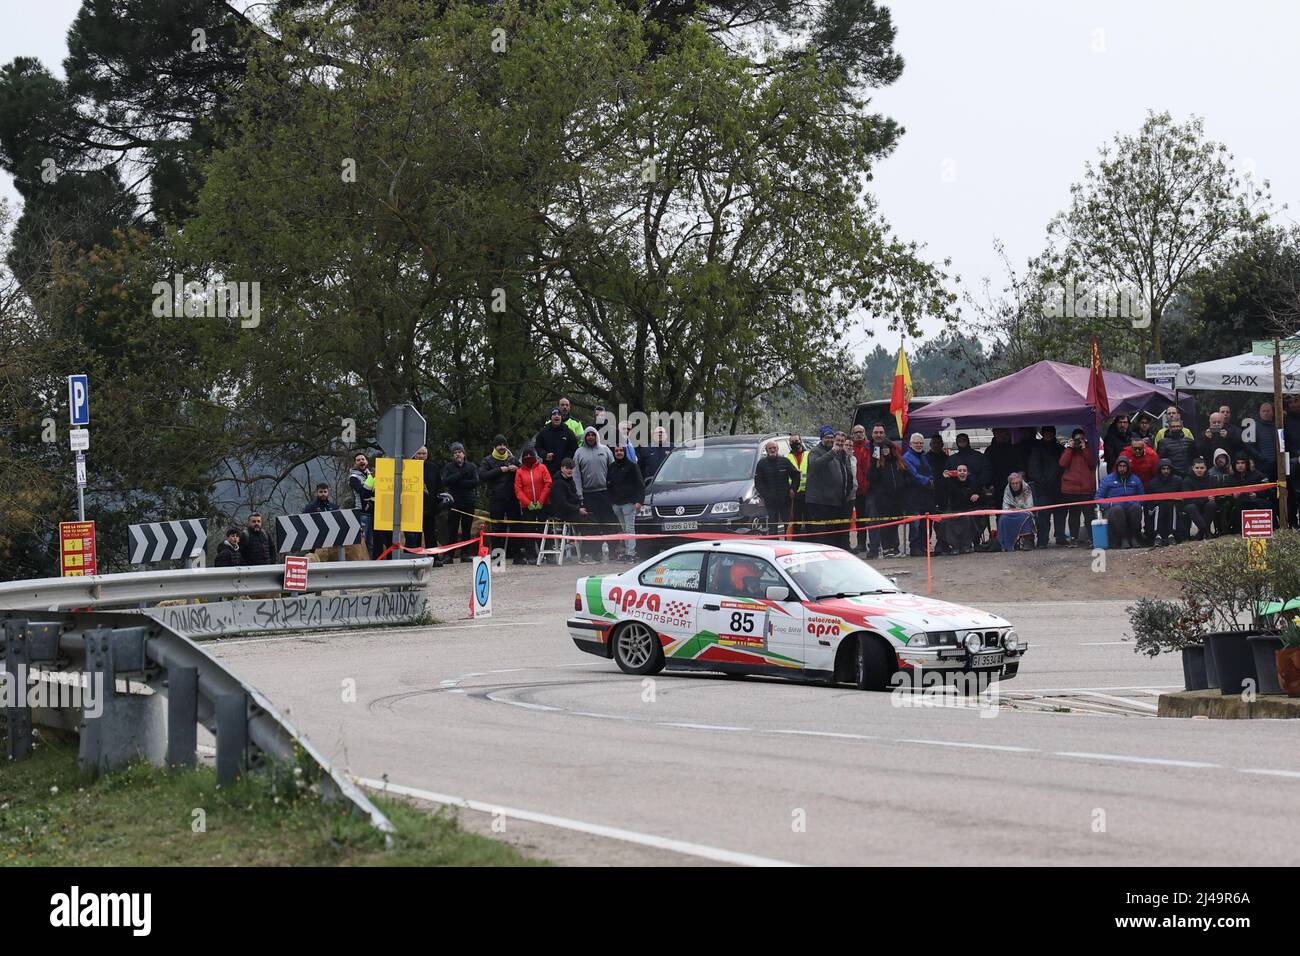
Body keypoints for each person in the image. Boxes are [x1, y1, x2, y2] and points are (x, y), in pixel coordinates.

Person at [479, 435, 524, 565]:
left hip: (512, 499)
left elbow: (525, 471)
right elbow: (482, 475)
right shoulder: (487, 461)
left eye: (504, 445)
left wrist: (517, 470)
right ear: (494, 446)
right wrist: (500, 470)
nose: (502, 447)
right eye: (499, 445)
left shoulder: (513, 460)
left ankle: (518, 555)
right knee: (497, 528)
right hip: (496, 498)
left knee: (516, 526)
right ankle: (497, 559)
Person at [806, 426, 853, 548]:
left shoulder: (838, 453)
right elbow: (815, 465)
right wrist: (831, 453)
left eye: (832, 437)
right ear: (821, 439)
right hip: (819, 502)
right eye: (827, 437)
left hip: (834, 501)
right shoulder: (815, 452)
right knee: (821, 535)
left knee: (833, 534)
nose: (830, 440)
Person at [574, 426, 616, 559]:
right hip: (588, 494)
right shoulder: (579, 452)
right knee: (592, 525)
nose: (590, 437)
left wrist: (614, 490)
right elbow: (576, 476)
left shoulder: (605, 450)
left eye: (593, 435)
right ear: (585, 437)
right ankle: (594, 552)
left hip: (605, 493)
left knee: (609, 522)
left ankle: (613, 550)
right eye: (588, 435)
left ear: (596, 436)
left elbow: (614, 470)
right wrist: (579, 494)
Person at [867, 440, 911, 557]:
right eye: (883, 449)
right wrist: (875, 460)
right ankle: (886, 548)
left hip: (897, 498)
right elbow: (871, 477)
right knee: (885, 524)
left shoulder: (898, 461)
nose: (885, 450)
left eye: (887, 448)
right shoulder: (877, 463)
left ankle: (894, 547)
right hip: (883, 499)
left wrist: (903, 484)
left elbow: (907, 475)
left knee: (894, 524)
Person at [1025, 426, 1067, 547]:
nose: (1049, 435)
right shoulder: (1037, 449)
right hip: (1042, 488)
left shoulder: (1060, 448)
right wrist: (1042, 481)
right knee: (1043, 516)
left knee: (1060, 513)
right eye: (1046, 433)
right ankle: (1042, 539)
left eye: (1051, 433)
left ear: (1053, 434)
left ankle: (1060, 537)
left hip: (1058, 487)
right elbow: (1032, 469)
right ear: (1043, 434)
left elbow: (1063, 466)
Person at [441, 442, 479, 561]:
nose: (458, 454)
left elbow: (475, 482)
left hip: (468, 501)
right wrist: (459, 475)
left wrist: (458, 482)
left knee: (467, 529)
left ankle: (465, 554)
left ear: (464, 454)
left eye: (460, 452)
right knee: (452, 529)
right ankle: (449, 555)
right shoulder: (449, 467)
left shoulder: (471, 466)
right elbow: (445, 481)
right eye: (455, 453)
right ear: (452, 456)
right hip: (454, 502)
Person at [1096, 456, 1144, 549]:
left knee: (1136, 508)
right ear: (1116, 467)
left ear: (1128, 467)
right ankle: (1123, 538)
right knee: (1117, 510)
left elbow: (1142, 496)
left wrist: (1136, 503)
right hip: (1113, 508)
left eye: (1124, 466)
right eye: (1120, 466)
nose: (1122, 468)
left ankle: (1134, 537)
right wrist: (1109, 504)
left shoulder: (1135, 479)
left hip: (1130, 506)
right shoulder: (1108, 479)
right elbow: (1098, 498)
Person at [514, 444, 552, 561]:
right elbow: (518, 489)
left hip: (543, 504)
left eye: (531, 455)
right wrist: (527, 502)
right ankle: (531, 554)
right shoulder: (519, 471)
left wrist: (541, 500)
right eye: (526, 456)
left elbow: (548, 483)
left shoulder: (542, 468)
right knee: (529, 530)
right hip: (527, 507)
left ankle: (548, 553)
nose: (529, 457)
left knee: (544, 529)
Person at [608, 443, 645, 562]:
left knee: (630, 528)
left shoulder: (632, 466)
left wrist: (639, 501)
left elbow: (640, 484)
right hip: (616, 504)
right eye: (617, 450)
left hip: (629, 503)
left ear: (624, 452)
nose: (619, 452)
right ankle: (627, 550)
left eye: (621, 450)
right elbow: (608, 483)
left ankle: (631, 552)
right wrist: (612, 501)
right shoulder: (612, 466)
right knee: (624, 529)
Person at [1058, 428, 1096, 547]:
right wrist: (1070, 448)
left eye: (1081, 439)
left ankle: (1092, 538)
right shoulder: (1068, 450)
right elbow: (1062, 463)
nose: (1079, 441)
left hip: (1086, 489)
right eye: (1077, 439)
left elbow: (1093, 463)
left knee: (1089, 515)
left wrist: (1084, 448)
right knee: (1074, 515)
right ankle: (1073, 538)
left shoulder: (1089, 449)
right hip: (1071, 489)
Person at [549, 458, 592, 562]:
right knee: (588, 523)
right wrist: (578, 510)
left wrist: (580, 507)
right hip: (562, 514)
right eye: (567, 468)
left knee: (593, 518)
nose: (569, 470)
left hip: (572, 511)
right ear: (562, 468)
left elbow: (574, 498)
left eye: (571, 468)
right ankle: (586, 554)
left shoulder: (570, 480)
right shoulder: (558, 483)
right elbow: (562, 504)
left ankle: (590, 552)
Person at [755, 440, 800, 535]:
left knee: (788, 526)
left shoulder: (785, 461)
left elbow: (796, 475)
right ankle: (774, 547)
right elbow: (758, 483)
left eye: (774, 448)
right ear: (766, 451)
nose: (772, 450)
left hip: (785, 500)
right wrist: (766, 495)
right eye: (770, 448)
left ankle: (788, 545)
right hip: (770, 502)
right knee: (772, 528)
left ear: (778, 449)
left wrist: (793, 489)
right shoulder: (761, 464)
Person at [901, 432, 935, 556]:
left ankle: (925, 546)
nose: (919, 445)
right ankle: (915, 547)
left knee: (926, 524)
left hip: (926, 496)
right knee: (915, 524)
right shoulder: (906, 458)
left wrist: (931, 479)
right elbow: (913, 474)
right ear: (910, 444)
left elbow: (929, 470)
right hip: (913, 496)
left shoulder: (924, 456)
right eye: (916, 443)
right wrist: (928, 481)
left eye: (921, 443)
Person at [1219, 453, 1268, 535]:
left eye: (1242, 463)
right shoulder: (1230, 477)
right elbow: (1224, 492)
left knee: (1266, 504)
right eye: (1237, 463)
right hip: (1237, 503)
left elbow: (1267, 488)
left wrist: (1257, 494)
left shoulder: (1257, 474)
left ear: (1247, 464)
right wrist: (1232, 495)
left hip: (1255, 500)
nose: (1240, 465)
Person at [939, 463, 982, 555]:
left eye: (964, 470)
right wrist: (945, 478)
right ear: (956, 472)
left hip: (969, 510)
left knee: (968, 520)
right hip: (953, 510)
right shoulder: (950, 482)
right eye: (960, 470)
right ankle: (955, 546)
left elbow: (980, 494)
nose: (962, 472)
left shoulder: (973, 482)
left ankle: (966, 545)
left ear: (968, 473)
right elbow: (943, 492)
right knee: (946, 522)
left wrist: (977, 495)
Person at [1147, 458, 1185, 546]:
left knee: (1172, 506)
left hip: (1174, 505)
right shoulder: (1153, 483)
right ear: (1160, 470)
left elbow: (1182, 496)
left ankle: (1171, 535)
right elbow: (1150, 499)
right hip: (1158, 506)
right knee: (1160, 507)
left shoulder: (1178, 480)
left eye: (1168, 469)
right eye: (1163, 469)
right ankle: (1158, 536)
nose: (1166, 471)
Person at [1181, 457, 1220, 539]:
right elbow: (1187, 500)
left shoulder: (1211, 479)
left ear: (1206, 468)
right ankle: (1206, 531)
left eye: (1202, 468)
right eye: (1197, 468)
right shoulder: (1187, 481)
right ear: (1192, 468)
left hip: (1207, 505)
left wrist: (1213, 498)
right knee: (1191, 507)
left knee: (1211, 504)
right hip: (1193, 506)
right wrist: (1206, 498)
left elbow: (1217, 494)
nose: (1199, 470)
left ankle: (1201, 533)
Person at [997, 472, 1036, 551]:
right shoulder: (1007, 489)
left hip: (1024, 511)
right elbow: (1005, 505)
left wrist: (1019, 508)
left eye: (1017, 483)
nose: (1015, 485)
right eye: (1013, 483)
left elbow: (1029, 505)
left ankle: (1028, 541)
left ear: (1020, 482)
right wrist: (1011, 509)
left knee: (1025, 516)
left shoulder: (1026, 488)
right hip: (1010, 512)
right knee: (1003, 518)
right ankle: (1006, 544)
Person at [536, 407, 579, 476]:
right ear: (550, 417)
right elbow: (538, 446)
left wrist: (566, 461)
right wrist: (545, 455)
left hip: (565, 470)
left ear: (561, 417)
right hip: (548, 470)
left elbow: (574, 449)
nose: (556, 416)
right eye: (554, 414)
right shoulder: (543, 432)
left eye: (559, 414)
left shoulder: (568, 432)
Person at [849, 425, 872, 552]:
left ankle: (874, 544)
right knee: (860, 518)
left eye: (861, 432)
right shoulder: (850, 447)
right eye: (856, 432)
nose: (858, 434)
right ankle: (861, 543)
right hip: (857, 490)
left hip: (870, 488)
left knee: (872, 517)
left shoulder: (870, 446)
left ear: (864, 433)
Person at [349, 452, 376, 556]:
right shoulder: (353, 478)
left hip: (374, 512)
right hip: (362, 513)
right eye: (358, 460)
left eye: (363, 459)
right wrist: (371, 479)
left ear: (367, 461)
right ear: (355, 463)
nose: (361, 461)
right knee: (363, 542)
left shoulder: (371, 474)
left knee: (372, 542)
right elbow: (363, 493)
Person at [1154, 410, 1196, 477]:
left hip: (1188, 475)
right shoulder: (1162, 442)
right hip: (1171, 476)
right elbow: (1160, 460)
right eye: (1173, 427)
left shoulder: (1189, 441)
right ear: (1169, 428)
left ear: (1181, 427)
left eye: (1178, 426)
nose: (1176, 428)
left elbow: (1195, 458)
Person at [786, 432, 811, 535]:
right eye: (792, 442)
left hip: (808, 493)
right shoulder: (787, 458)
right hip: (794, 495)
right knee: (795, 521)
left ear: (801, 441)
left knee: (809, 521)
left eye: (796, 441)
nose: (794, 443)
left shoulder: (809, 454)